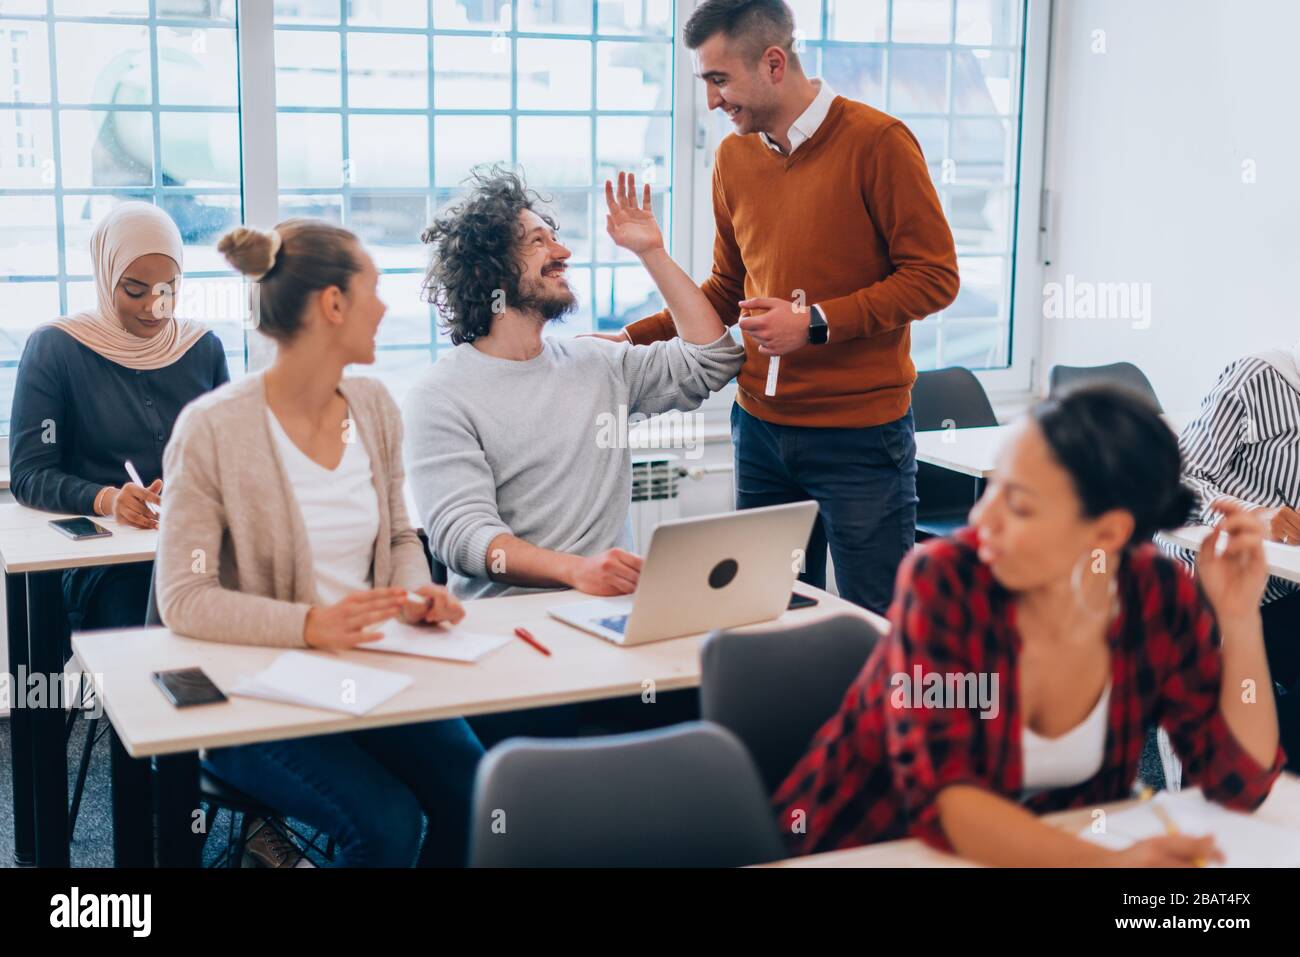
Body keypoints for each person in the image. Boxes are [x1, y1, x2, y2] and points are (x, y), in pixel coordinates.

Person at [774, 385, 1284, 866]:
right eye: (995, 488)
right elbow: (947, 802)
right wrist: (1111, 863)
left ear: (1108, 532)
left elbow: (1239, 782)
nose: (981, 519)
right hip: (861, 847)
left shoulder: (1155, 596)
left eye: (1018, 505)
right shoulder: (949, 583)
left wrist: (1238, 618)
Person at [598, 0, 960, 614]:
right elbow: (724, 291)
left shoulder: (879, 143)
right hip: (760, 433)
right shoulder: (734, 159)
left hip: (860, 440)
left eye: (719, 79)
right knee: (762, 615)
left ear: (772, 63)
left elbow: (934, 277)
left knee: (880, 620)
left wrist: (815, 323)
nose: (712, 101)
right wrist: (630, 340)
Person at [157, 219, 483, 867]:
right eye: (375, 288)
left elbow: (397, 533)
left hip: (370, 675)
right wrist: (309, 625)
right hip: (255, 698)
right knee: (386, 823)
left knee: (477, 790)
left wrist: (414, 589)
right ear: (333, 303)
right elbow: (184, 598)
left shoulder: (373, 405)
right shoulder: (213, 428)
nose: (387, 307)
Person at [404, 167, 744, 601]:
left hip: (609, 612)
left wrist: (652, 252)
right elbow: (463, 538)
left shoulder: (597, 362)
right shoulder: (440, 395)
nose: (562, 251)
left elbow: (712, 359)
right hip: (509, 625)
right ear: (490, 270)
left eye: (554, 237)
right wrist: (578, 572)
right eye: (537, 242)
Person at [9, 201, 229, 634]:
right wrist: (107, 499)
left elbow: (232, 461)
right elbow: (30, 474)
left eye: (168, 289)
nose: (154, 306)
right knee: (146, 638)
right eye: (134, 289)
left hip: (199, 550)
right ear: (105, 276)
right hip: (109, 566)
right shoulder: (57, 349)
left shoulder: (201, 348)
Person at [1168, 346, 1300, 768]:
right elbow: (1176, 482)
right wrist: (1254, 515)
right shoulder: (1257, 378)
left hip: (1285, 584)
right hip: (1218, 576)